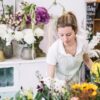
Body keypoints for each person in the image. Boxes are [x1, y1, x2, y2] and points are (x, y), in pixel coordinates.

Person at [46, 12, 93, 86]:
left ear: (75, 31)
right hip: (61, 89)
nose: (65, 39)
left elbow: (87, 61)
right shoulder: (54, 49)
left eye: (68, 35)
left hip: (78, 86)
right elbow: (50, 77)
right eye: (61, 35)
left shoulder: (83, 44)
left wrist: (97, 75)